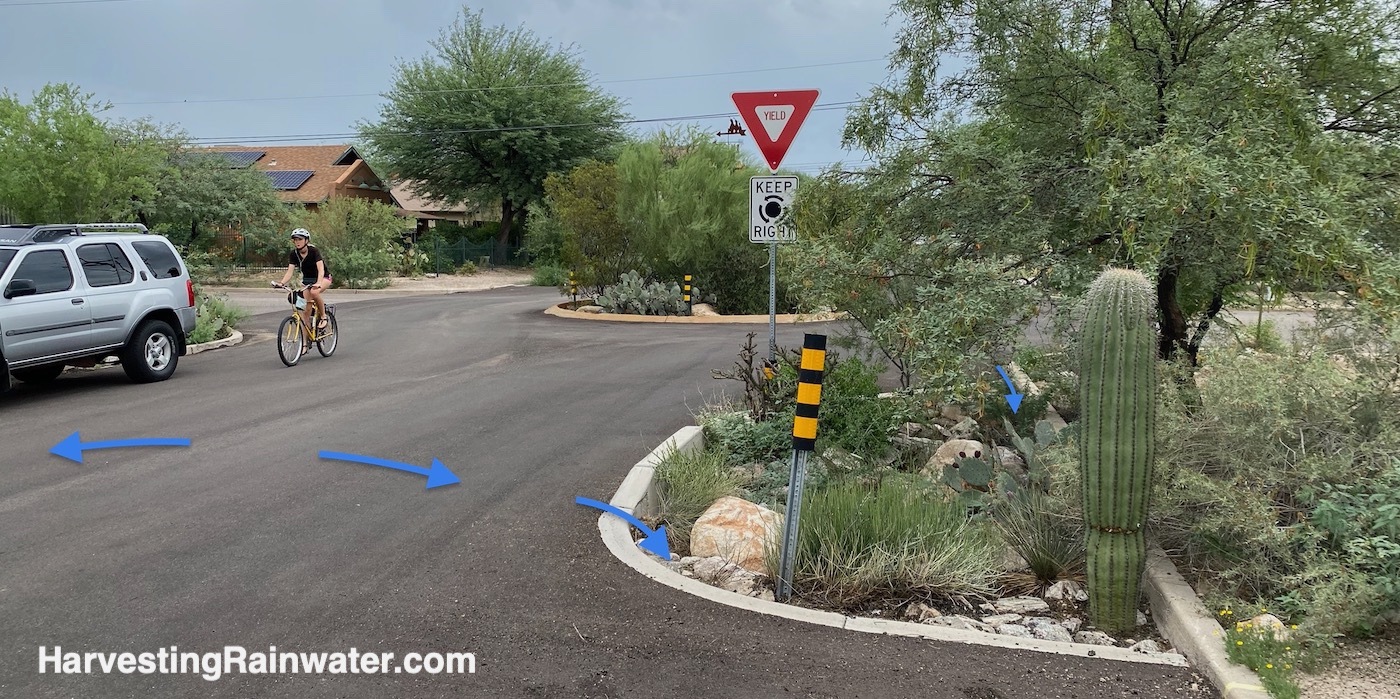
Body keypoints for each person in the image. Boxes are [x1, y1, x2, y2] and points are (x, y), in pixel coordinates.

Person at [272, 228, 332, 338]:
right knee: (305, 314)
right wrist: (281, 283)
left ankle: (323, 317)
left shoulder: (314, 251)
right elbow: (289, 272)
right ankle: (305, 344)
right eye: (295, 240)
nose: (297, 242)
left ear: (306, 241)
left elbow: (321, 270)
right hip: (307, 281)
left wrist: (318, 282)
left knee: (314, 292)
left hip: (323, 278)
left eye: (300, 239)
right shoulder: (294, 254)